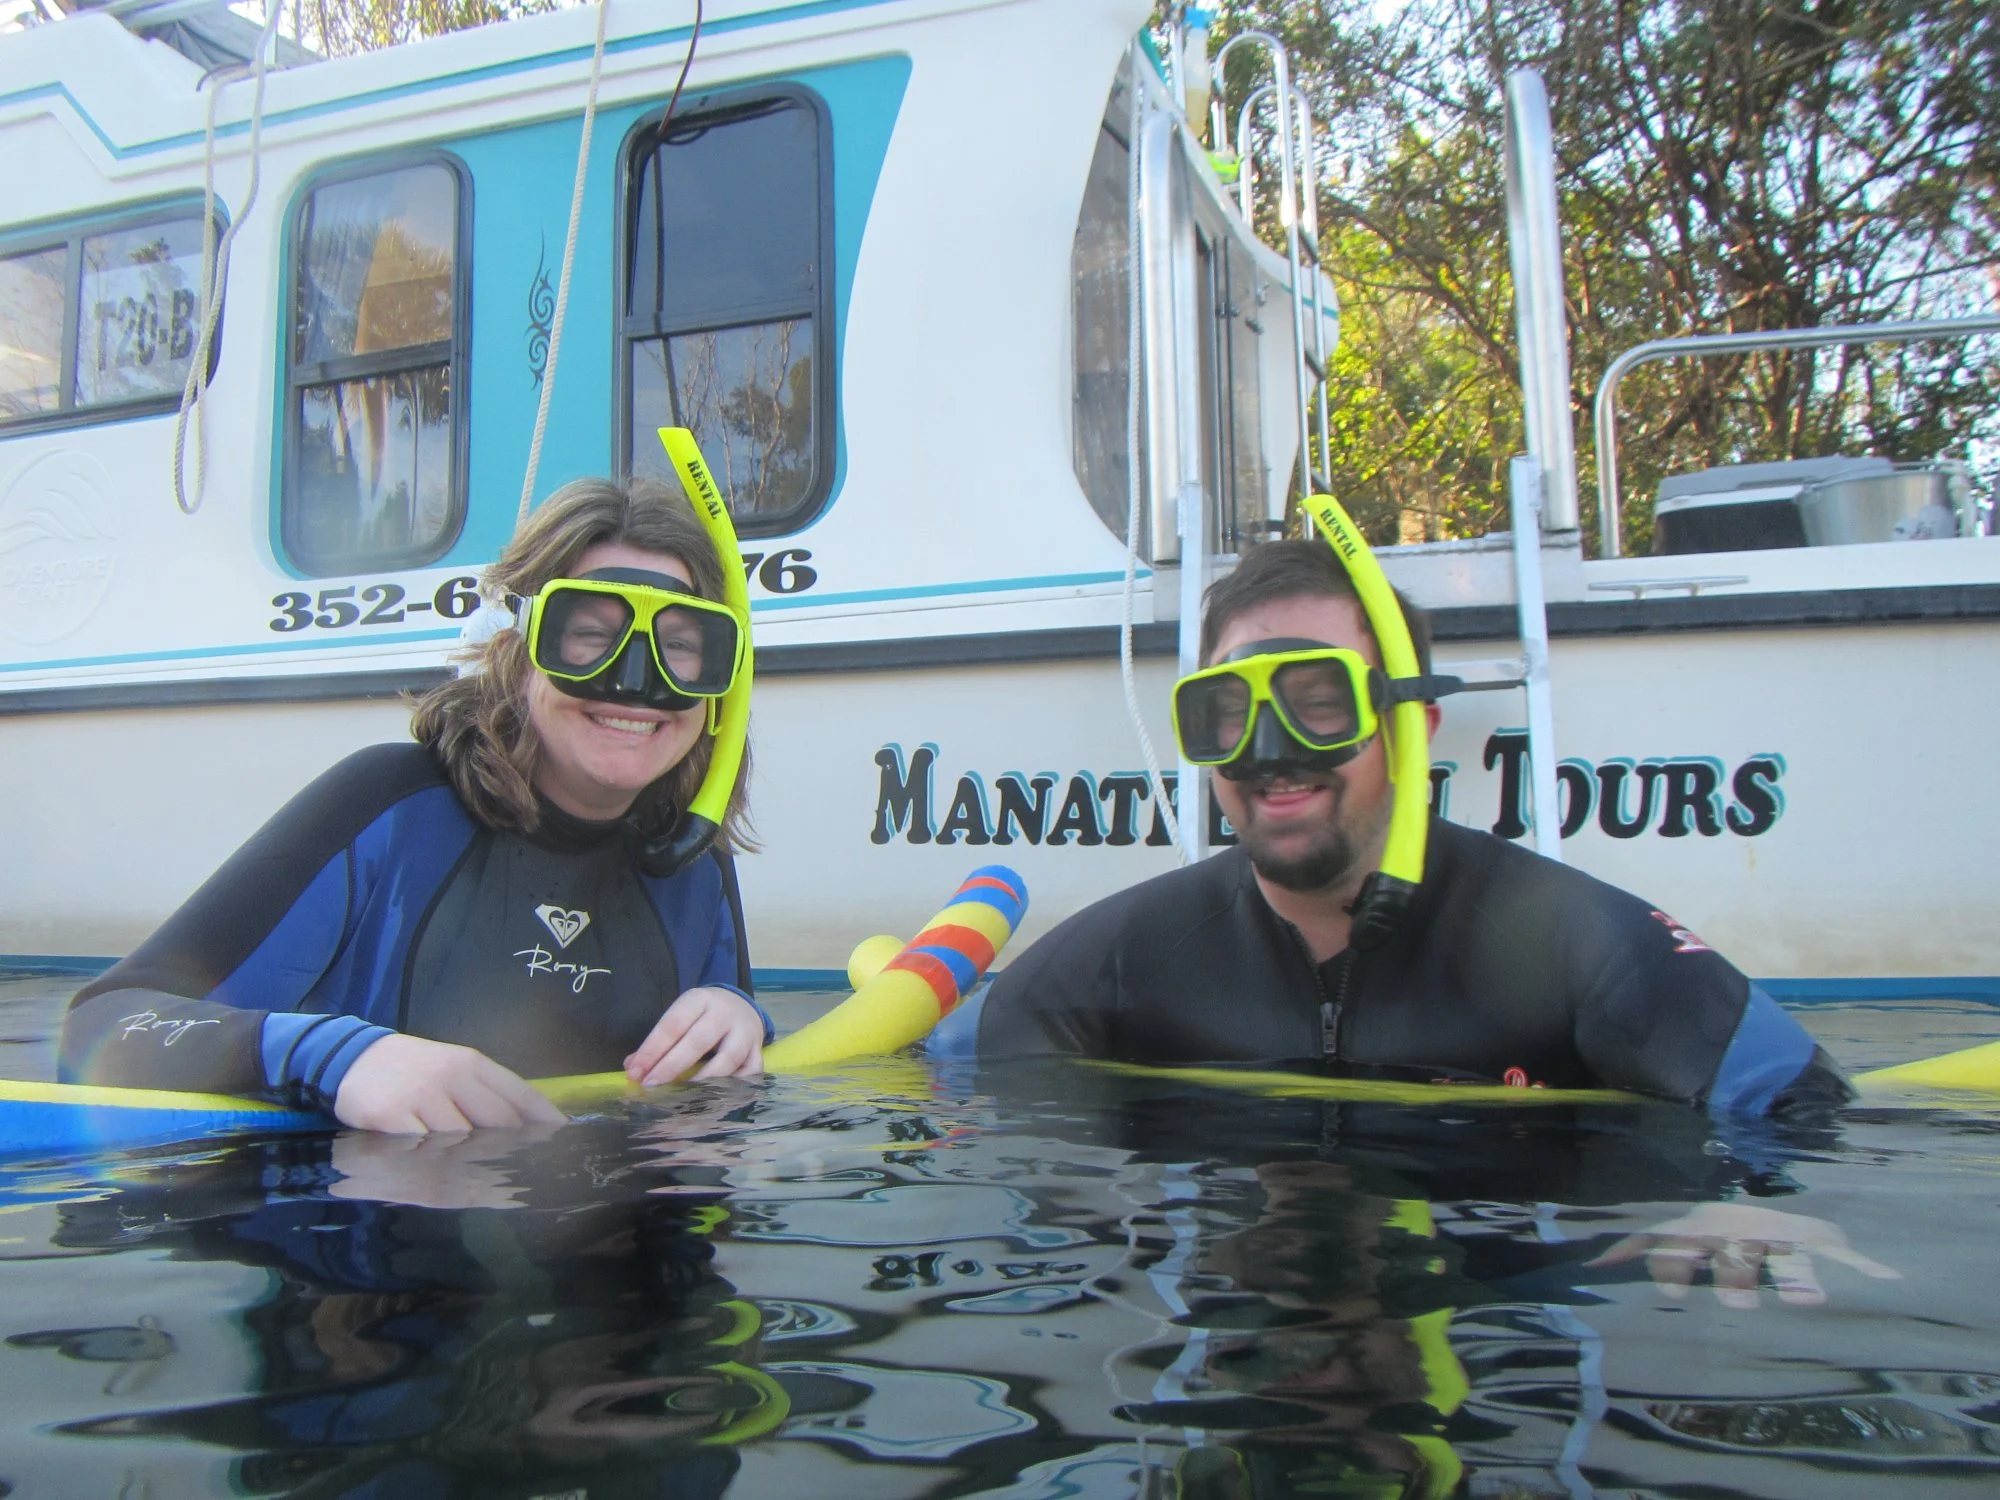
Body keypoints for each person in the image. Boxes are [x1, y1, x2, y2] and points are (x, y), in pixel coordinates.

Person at [975, 536, 1849, 1117]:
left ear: (1411, 729)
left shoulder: (1566, 941)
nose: (1270, 754)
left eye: (1321, 706)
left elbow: (1799, 1106)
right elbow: (944, 1080)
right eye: (1226, 715)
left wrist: (1751, 1196)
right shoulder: (1132, 952)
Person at [60, 476, 771, 1133]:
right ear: (515, 648)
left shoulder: (692, 859)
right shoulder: (388, 807)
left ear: (721, 678)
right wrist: (331, 1054)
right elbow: (100, 1029)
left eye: (680, 645)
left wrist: (742, 1017)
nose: (634, 681)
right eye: (587, 634)